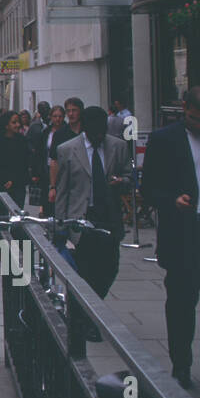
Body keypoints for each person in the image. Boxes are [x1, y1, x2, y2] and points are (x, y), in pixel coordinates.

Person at [143, 86, 200, 391]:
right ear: (183, 108)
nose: (198, 125)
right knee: (181, 304)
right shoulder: (164, 139)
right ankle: (181, 365)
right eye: (193, 118)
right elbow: (148, 188)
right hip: (182, 232)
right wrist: (172, 200)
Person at [55, 106, 133, 322]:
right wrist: (60, 225)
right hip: (82, 217)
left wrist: (121, 181)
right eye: (95, 131)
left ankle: (90, 308)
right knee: (86, 270)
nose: (99, 135)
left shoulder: (117, 147)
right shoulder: (67, 149)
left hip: (108, 216)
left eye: (102, 131)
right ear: (84, 127)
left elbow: (129, 175)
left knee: (110, 267)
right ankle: (86, 318)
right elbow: (63, 189)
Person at [0, 111, 29, 216]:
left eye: (18, 122)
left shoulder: (22, 141)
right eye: (14, 122)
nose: (17, 125)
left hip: (18, 184)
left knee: (17, 215)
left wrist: (13, 180)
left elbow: (24, 164)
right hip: (0, 184)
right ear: (6, 125)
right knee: (2, 217)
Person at [48, 97, 85, 212]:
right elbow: (54, 161)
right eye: (68, 111)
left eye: (74, 110)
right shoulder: (60, 134)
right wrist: (53, 187)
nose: (71, 114)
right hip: (66, 180)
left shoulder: (86, 132)